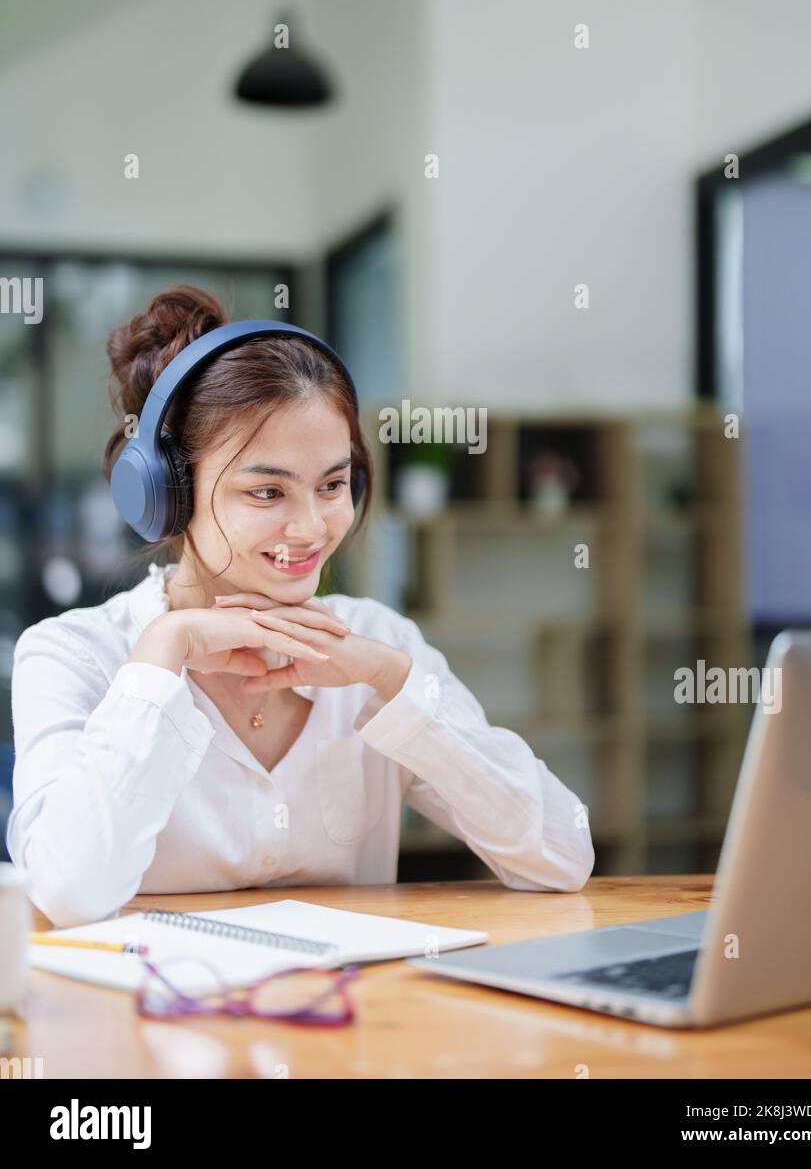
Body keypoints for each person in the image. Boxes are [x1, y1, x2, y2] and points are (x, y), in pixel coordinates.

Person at [7, 286, 594, 927]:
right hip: (153, 1021)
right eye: (267, 491)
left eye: (333, 485)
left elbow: (561, 856)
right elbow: (65, 893)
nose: (312, 528)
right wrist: (160, 661)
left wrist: (396, 684)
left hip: (355, 1021)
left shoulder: (376, 642)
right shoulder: (73, 655)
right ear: (167, 497)